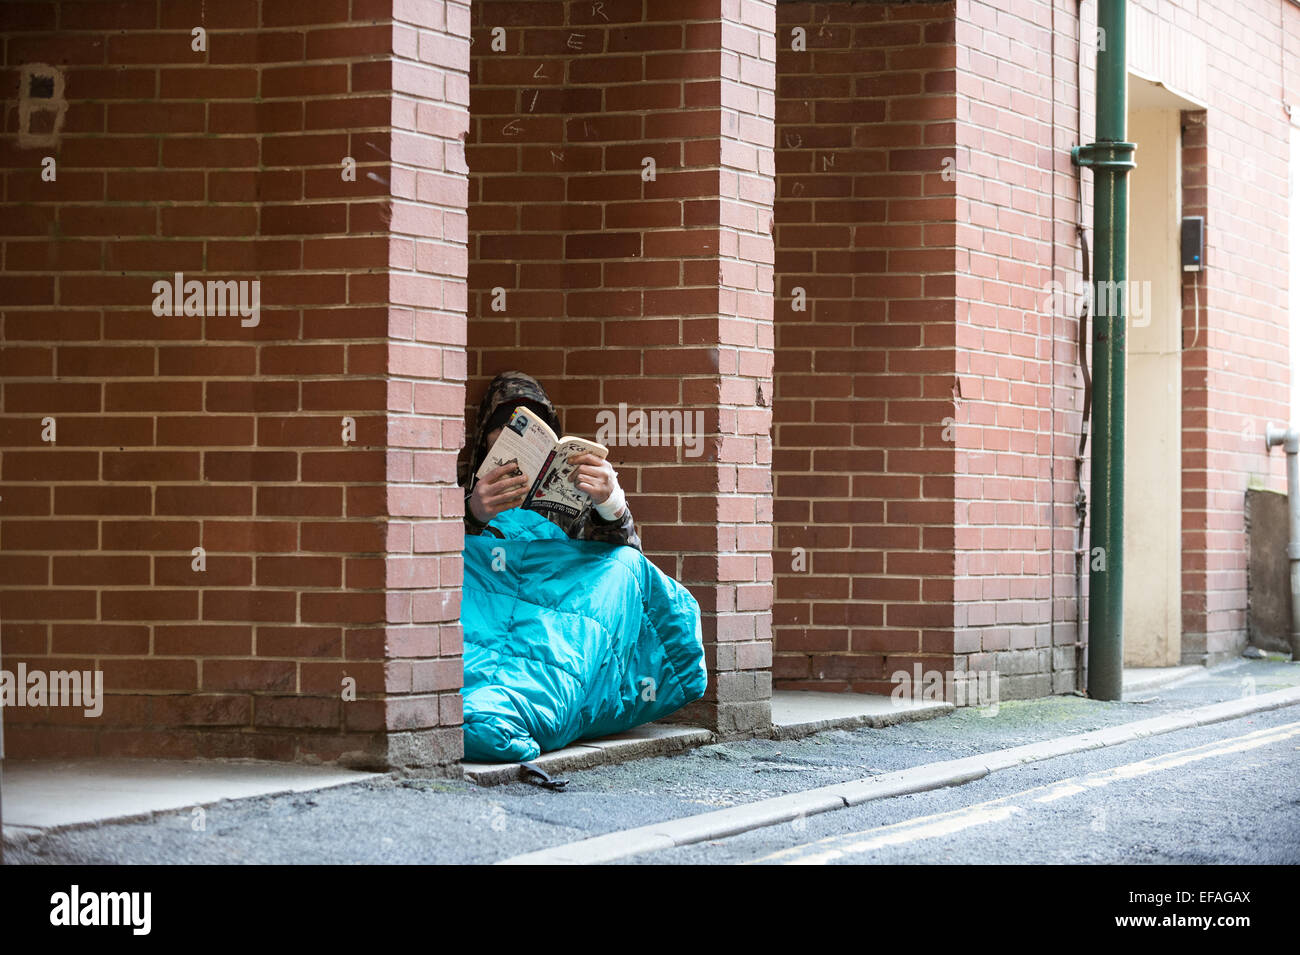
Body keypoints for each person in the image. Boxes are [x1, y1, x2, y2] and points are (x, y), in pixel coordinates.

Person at [457, 371, 641, 550]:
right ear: (484, 436)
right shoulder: (456, 493)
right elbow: (437, 559)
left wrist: (610, 504)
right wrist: (473, 516)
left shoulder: (575, 501)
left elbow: (620, 562)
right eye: (503, 426)